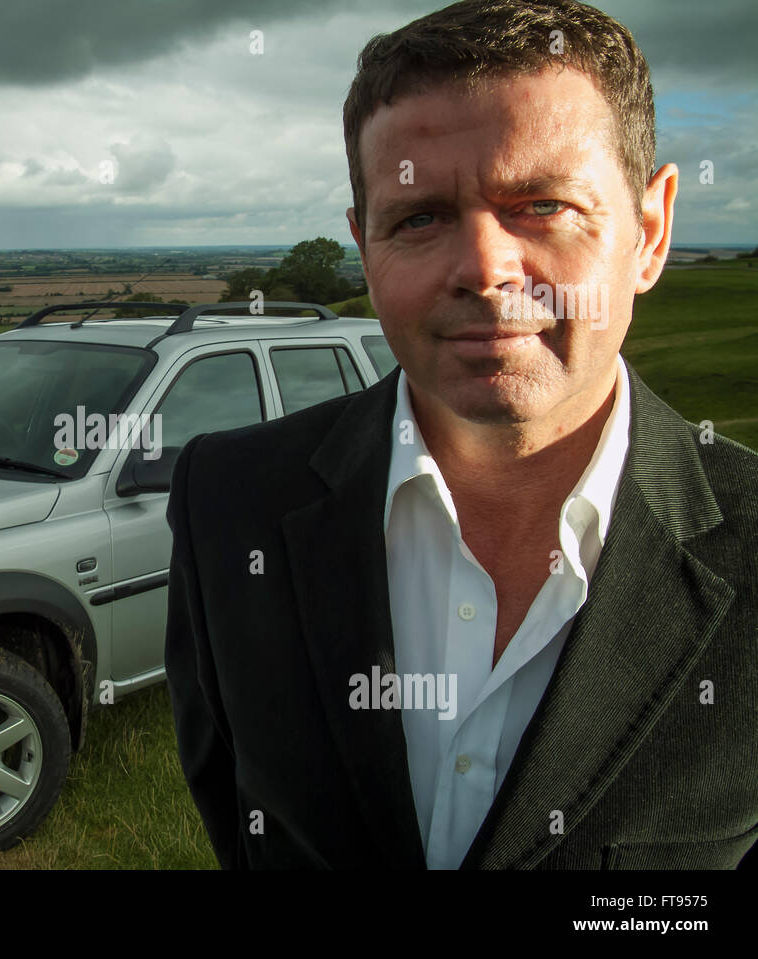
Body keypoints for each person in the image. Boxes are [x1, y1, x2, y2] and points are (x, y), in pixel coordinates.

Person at [164, 0, 758, 869]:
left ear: (651, 231)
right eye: (420, 217)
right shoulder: (230, 504)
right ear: (364, 247)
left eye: (544, 204)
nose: (483, 267)